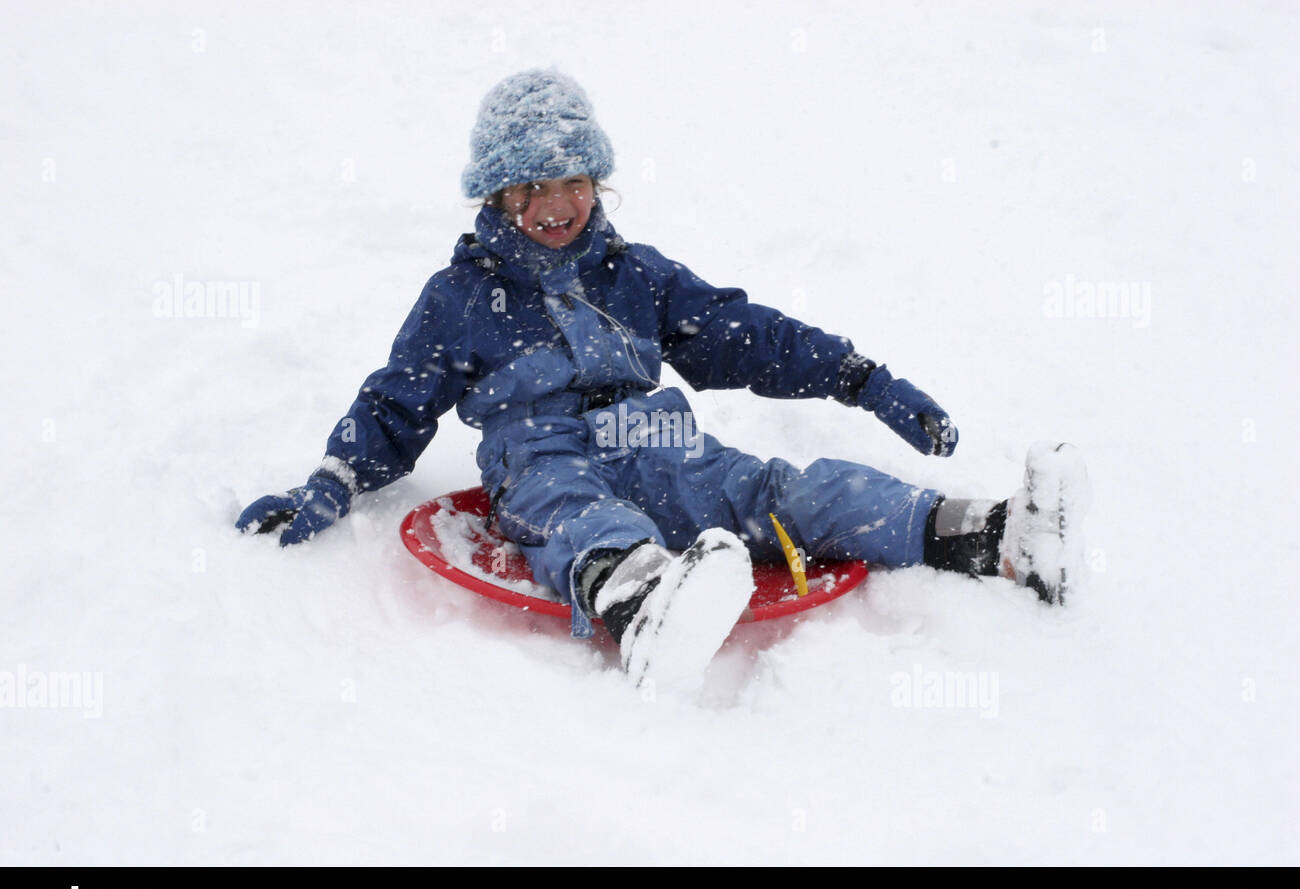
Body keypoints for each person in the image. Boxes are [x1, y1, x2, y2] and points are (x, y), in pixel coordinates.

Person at [237, 69, 1089, 692]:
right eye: (531, 185)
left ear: (596, 181)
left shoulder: (635, 275)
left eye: (572, 179)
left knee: (779, 493)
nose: (556, 202)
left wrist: (859, 377)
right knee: (573, 510)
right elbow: (399, 399)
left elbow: (744, 335)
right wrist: (337, 476)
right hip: (539, 455)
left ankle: (988, 534)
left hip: (658, 437)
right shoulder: (461, 299)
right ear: (495, 199)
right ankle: (641, 598)